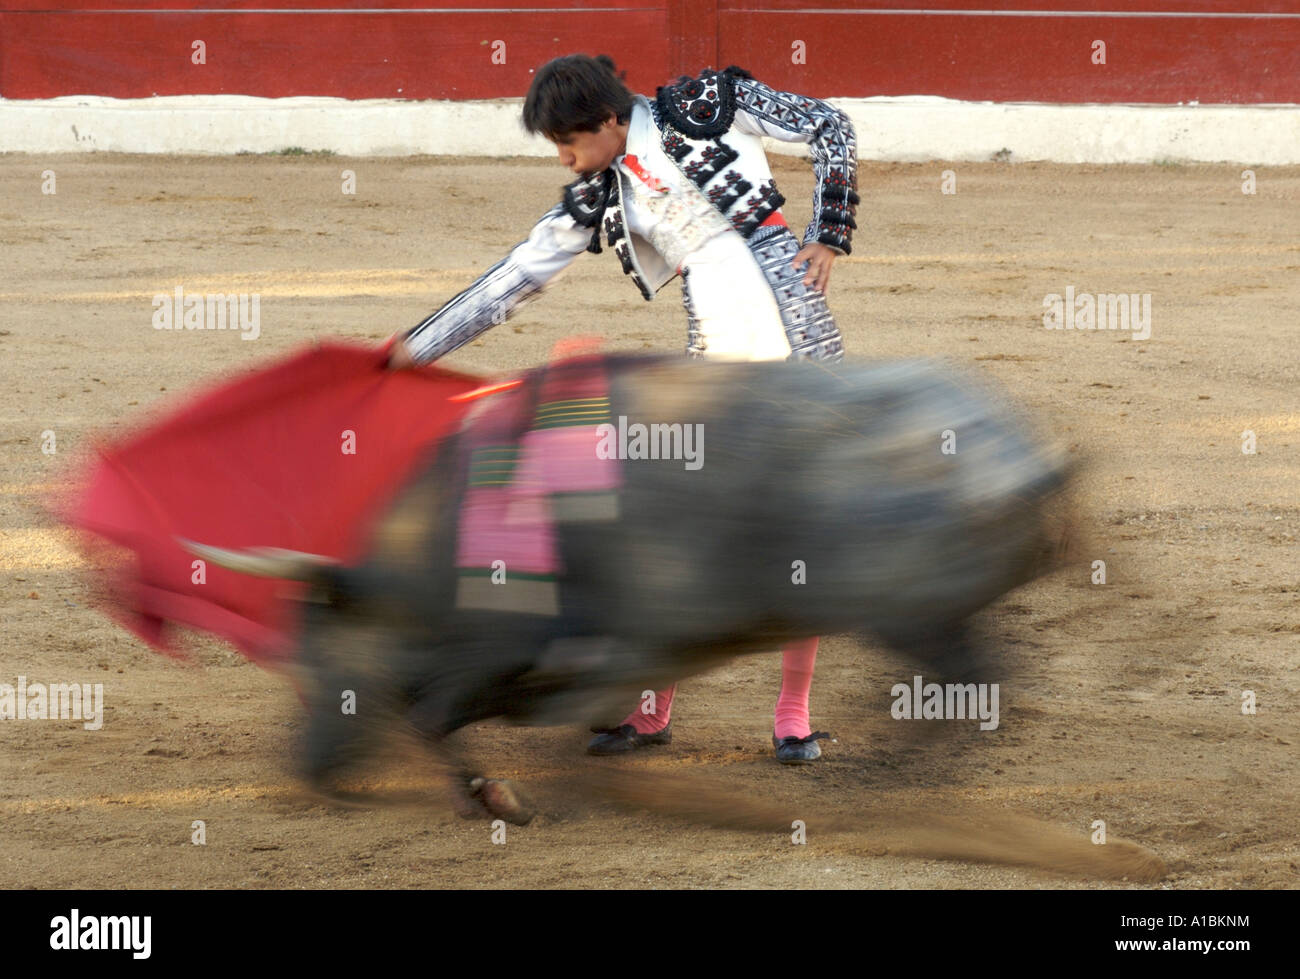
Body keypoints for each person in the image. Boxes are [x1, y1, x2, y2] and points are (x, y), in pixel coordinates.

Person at [388, 54, 859, 763]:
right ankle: (652, 705)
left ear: (609, 119)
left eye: (569, 143)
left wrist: (828, 231)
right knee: (680, 525)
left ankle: (792, 710)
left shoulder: (709, 103)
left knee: (799, 524)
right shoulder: (600, 192)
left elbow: (829, 125)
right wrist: (415, 349)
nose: (567, 160)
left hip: (795, 333)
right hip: (713, 357)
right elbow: (513, 280)